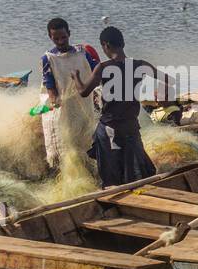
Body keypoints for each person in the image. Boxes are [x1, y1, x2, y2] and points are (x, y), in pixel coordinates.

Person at [72, 26, 167, 186]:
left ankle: (113, 203)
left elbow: (83, 92)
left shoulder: (103, 68)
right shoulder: (140, 65)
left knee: (112, 175)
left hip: (111, 129)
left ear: (105, 45)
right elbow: (166, 78)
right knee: (138, 171)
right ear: (122, 43)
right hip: (131, 127)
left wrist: (76, 77)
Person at [38, 17, 101, 169]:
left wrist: (98, 91)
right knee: (67, 142)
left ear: (69, 34)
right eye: (56, 38)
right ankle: (68, 169)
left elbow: (95, 71)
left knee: (86, 137)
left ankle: (89, 167)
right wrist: (54, 100)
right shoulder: (48, 58)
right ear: (50, 37)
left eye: (63, 37)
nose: (60, 41)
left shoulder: (82, 53)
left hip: (84, 104)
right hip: (64, 108)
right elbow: (49, 83)